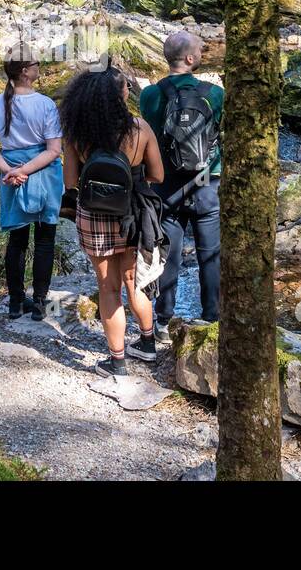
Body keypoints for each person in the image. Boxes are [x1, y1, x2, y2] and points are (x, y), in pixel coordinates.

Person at [61, 65, 165, 378]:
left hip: (93, 217)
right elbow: (158, 176)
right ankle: (147, 344)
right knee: (136, 283)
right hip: (133, 216)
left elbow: (71, 184)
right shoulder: (140, 129)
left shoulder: (77, 135)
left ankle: (117, 361)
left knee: (108, 289)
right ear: (120, 95)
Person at [138, 32, 224, 338]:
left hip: (166, 185)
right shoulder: (214, 93)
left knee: (168, 253)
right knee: (210, 252)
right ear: (189, 59)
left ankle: (163, 318)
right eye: (199, 50)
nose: (203, 52)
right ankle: (212, 317)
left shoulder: (150, 95)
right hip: (206, 184)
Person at [0, 59, 64, 320]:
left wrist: (9, 171)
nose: (40, 66)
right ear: (25, 72)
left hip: (11, 173)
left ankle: (15, 302)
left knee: (17, 240)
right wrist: (24, 171)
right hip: (42, 173)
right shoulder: (46, 104)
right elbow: (54, 150)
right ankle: (40, 303)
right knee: (45, 239)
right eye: (35, 64)